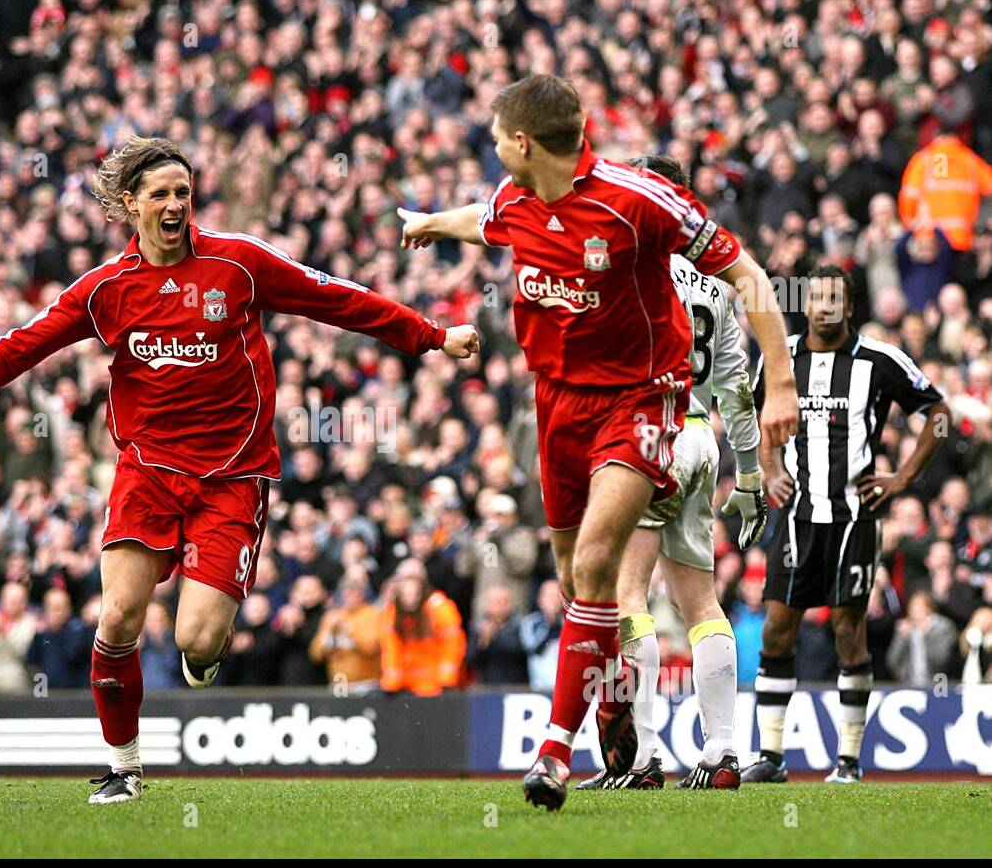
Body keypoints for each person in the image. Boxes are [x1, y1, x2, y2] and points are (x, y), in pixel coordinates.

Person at [0, 136, 478, 804]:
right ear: (128, 204)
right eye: (161, 194)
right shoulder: (106, 290)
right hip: (147, 471)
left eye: (183, 192)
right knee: (116, 618)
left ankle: (202, 657)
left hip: (233, 475)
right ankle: (125, 767)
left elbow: (335, 297)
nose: (175, 204)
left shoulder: (238, 263)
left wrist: (431, 336)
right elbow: (18, 347)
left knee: (196, 642)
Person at [398, 74, 798, 812]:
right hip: (556, 406)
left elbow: (747, 273)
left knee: (599, 565)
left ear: (523, 143)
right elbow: (478, 219)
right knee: (576, 578)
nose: (489, 149)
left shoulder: (637, 198)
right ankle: (615, 702)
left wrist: (780, 385)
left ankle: (554, 751)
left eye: (493, 138)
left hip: (644, 402)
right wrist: (426, 221)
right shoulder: (515, 201)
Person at [579, 155, 765, 792]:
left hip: (649, 435)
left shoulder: (633, 268)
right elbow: (736, 390)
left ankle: (642, 758)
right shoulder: (716, 283)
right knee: (701, 603)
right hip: (701, 438)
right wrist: (750, 477)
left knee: (625, 596)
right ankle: (722, 753)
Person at [745, 265, 951, 785]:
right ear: (806, 304)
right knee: (776, 629)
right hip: (796, 518)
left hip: (855, 518)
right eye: (817, 298)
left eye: (835, 298)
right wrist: (769, 471)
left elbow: (939, 413)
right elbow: (754, 420)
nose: (825, 306)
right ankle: (771, 758)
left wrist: (904, 478)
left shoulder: (880, 360)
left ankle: (849, 762)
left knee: (847, 632)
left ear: (850, 307)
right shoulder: (782, 356)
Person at [378, 558, 466, 697]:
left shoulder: (440, 608)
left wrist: (446, 681)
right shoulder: (392, 611)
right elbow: (391, 648)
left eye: (414, 579)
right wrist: (392, 684)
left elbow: (453, 646)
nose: (410, 584)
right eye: (405, 579)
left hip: (434, 686)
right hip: (404, 686)